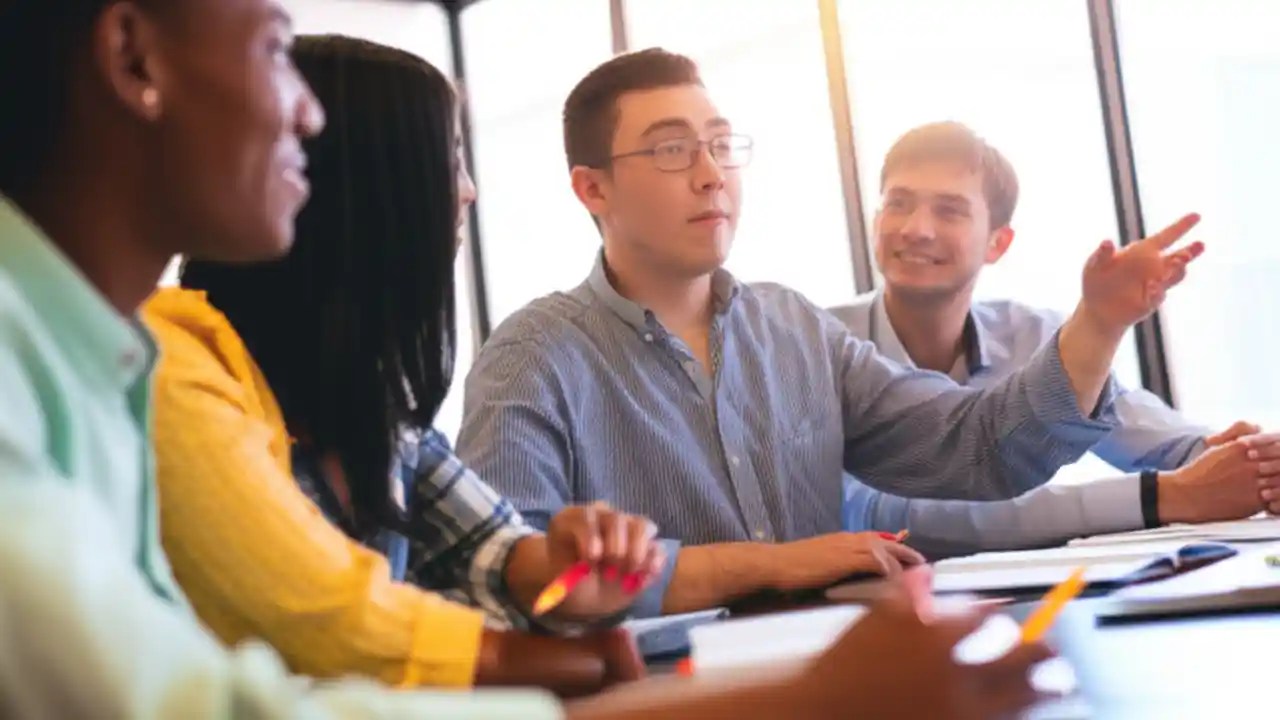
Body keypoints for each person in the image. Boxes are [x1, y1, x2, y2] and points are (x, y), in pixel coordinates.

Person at [0, 4, 1050, 718]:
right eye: (274, 46)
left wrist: (578, 579)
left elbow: (502, 559)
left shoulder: (327, 406)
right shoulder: (160, 379)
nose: (304, 114)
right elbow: (295, 664)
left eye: (718, 142)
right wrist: (793, 689)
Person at [457, 47, 1207, 617]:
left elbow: (979, 449)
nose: (711, 173)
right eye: (670, 149)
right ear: (592, 187)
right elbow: (506, 575)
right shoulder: (533, 357)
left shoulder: (791, 328)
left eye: (720, 144)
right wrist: (771, 564)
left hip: (837, 675)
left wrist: (1101, 323)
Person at [144, 34, 663, 697]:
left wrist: (561, 574)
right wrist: (569, 661)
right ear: (362, 186)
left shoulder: (370, 396)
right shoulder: (181, 372)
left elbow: (486, 549)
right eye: (448, 158)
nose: (469, 192)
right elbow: (330, 620)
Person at [828, 121, 1279, 556]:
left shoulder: (1033, 335)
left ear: (997, 243)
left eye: (949, 210)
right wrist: (1166, 496)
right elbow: (885, 512)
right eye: (898, 204)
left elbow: (1157, 438)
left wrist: (1254, 463)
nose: (915, 229)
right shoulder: (817, 346)